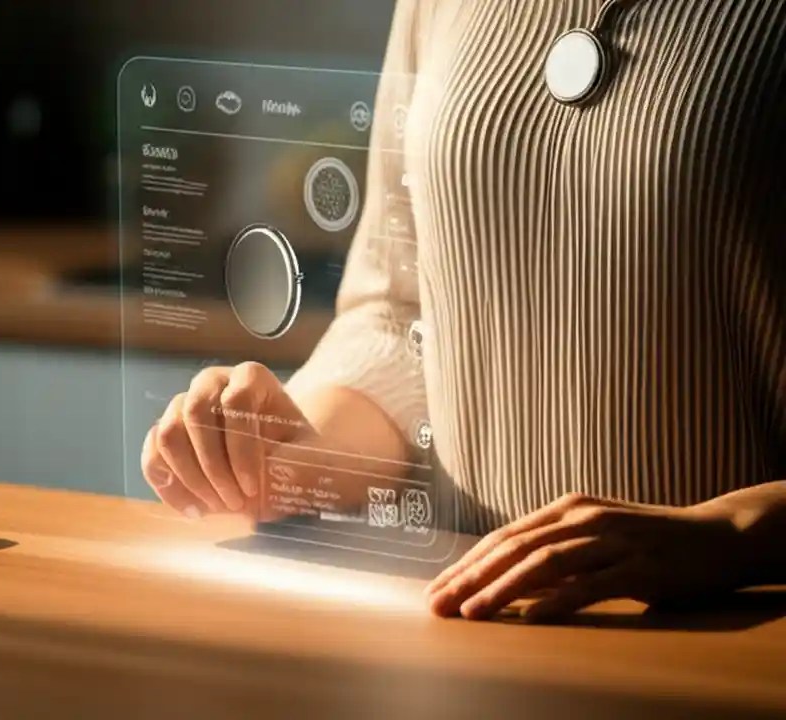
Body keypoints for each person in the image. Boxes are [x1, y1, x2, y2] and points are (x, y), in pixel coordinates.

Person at [140, 0, 786, 622]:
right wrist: (289, 451)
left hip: (734, 649)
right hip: (471, 631)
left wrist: (731, 533)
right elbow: (399, 315)